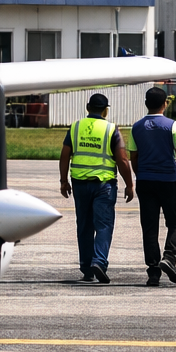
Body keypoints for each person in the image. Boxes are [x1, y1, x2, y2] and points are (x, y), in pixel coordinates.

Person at [59, 93, 134, 284]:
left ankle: (86, 268)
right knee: (103, 225)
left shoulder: (75, 127)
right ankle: (99, 261)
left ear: (87, 107)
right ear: (105, 110)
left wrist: (63, 180)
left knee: (84, 226)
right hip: (104, 185)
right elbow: (122, 159)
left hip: (79, 184)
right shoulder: (111, 129)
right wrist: (129, 184)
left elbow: (65, 155)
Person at [127, 87, 176, 287]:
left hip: (145, 181)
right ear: (165, 103)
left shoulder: (137, 127)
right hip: (168, 180)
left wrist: (141, 175)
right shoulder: (172, 126)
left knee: (149, 227)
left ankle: (153, 273)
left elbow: (134, 156)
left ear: (146, 103)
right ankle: (169, 257)